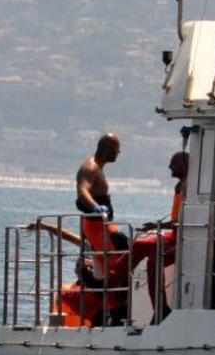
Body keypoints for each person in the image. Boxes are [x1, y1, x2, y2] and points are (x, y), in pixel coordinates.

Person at [130, 151, 189, 320]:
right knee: (147, 253)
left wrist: (156, 226)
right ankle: (159, 307)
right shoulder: (180, 186)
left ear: (185, 165)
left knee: (154, 257)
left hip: (182, 238)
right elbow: (177, 219)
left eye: (174, 163)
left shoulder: (189, 187)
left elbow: (182, 221)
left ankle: (160, 308)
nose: (170, 166)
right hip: (174, 235)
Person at [76, 133, 121, 219]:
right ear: (108, 150)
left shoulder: (98, 167)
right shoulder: (91, 167)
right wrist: (96, 207)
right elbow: (82, 191)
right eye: (117, 148)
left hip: (102, 223)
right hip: (96, 224)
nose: (119, 152)